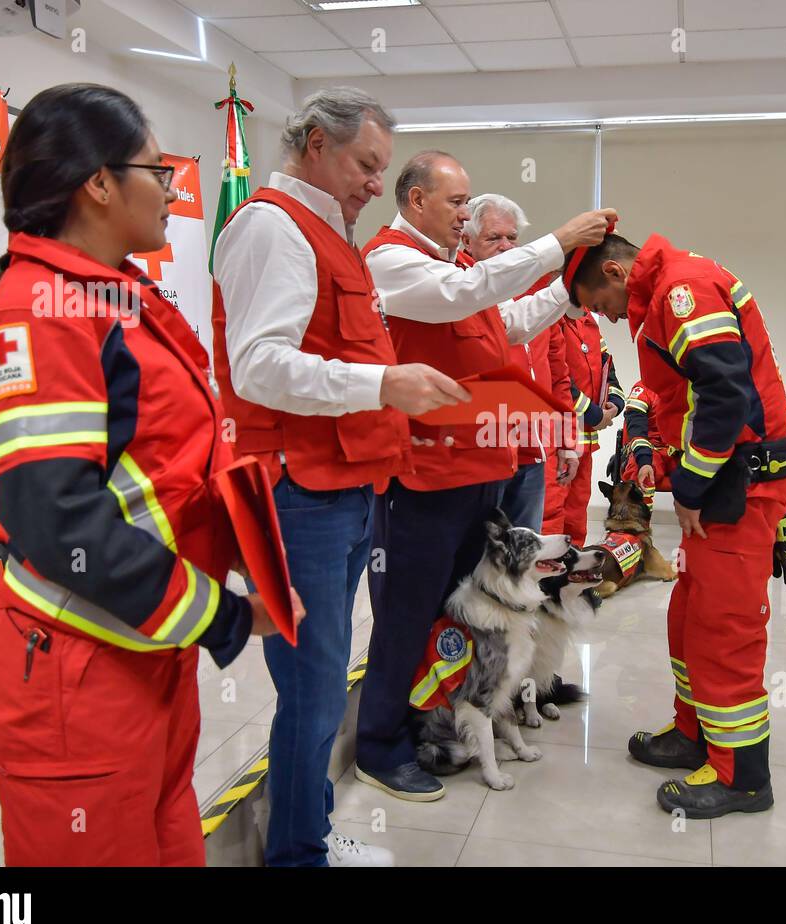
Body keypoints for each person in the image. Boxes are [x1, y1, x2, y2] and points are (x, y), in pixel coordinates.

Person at [0, 83, 300, 866]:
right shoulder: (38, 315)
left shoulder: (108, 298)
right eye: (156, 167)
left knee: (168, 841)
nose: (171, 187)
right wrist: (226, 617)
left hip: (141, 649)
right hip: (80, 673)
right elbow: (63, 524)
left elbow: (165, 471)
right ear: (98, 183)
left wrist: (248, 560)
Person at [213, 89, 467, 866]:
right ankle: (297, 854)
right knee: (315, 687)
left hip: (345, 488)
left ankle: (306, 832)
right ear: (315, 143)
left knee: (320, 686)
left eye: (381, 169)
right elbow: (257, 368)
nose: (371, 184)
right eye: (365, 165)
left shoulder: (329, 234)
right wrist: (382, 388)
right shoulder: (272, 228)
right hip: (300, 496)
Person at [355, 149, 615, 801]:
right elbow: (459, 299)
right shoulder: (391, 259)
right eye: (456, 202)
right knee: (407, 616)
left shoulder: (457, 264)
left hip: (477, 475)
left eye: (469, 201)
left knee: (462, 619)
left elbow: (505, 323)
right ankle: (379, 746)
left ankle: (442, 728)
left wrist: (569, 286)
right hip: (423, 478)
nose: (466, 214)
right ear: (416, 202)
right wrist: (558, 244)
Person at [567, 232, 786, 818]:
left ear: (618, 273)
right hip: (724, 481)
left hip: (740, 486)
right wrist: (664, 465)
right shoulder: (666, 292)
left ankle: (742, 776)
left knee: (725, 625)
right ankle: (695, 733)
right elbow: (685, 397)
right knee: (690, 613)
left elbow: (726, 394)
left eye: (600, 302)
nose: (607, 315)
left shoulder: (682, 289)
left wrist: (692, 484)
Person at [461, 193, 572, 531]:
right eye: (494, 238)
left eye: (512, 238)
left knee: (525, 558)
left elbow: (559, 375)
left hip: (534, 452)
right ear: (467, 241)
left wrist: (567, 439)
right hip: (483, 454)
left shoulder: (537, 294)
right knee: (479, 559)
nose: (506, 246)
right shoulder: (454, 294)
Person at [544, 304, 625, 544]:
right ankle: (549, 575)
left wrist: (614, 401)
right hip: (557, 442)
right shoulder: (549, 318)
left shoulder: (588, 321)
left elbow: (606, 366)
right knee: (551, 513)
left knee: (577, 512)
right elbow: (556, 377)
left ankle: (572, 568)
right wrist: (592, 413)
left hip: (585, 442)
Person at [620, 380, 677, 507]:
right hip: (650, 451)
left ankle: (702, 525)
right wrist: (644, 461)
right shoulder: (643, 389)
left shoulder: (690, 386)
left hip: (680, 452)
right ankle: (633, 524)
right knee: (639, 470)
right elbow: (636, 429)